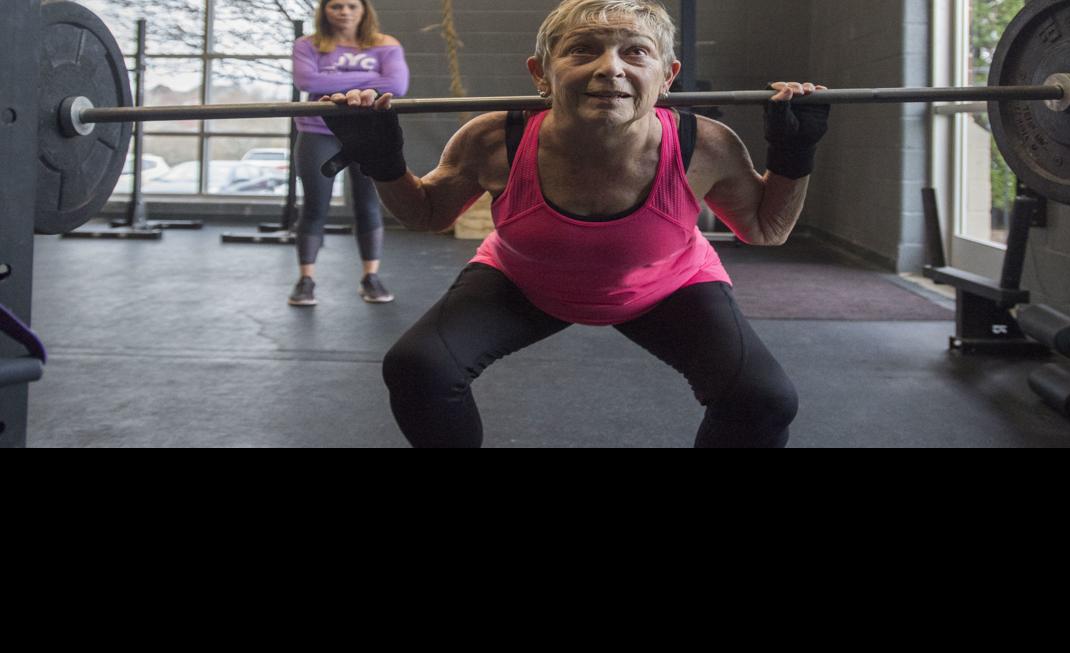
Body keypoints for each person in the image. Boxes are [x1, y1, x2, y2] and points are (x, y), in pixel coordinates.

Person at [317, 0, 829, 448]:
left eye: (635, 52)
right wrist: (382, 161)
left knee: (762, 400)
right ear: (541, 73)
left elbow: (766, 229)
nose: (610, 68)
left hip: (666, 285)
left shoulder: (706, 144)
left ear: (668, 76)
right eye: (582, 50)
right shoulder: (496, 137)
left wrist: (794, 155)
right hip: (524, 281)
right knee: (418, 367)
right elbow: (426, 214)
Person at [289, 0, 408, 307]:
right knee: (314, 206)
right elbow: (306, 81)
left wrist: (333, 83)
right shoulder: (308, 44)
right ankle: (306, 280)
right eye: (336, 6)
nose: (344, 11)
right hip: (317, 131)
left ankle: (371, 277)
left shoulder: (385, 44)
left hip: (367, 131)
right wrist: (370, 83)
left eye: (351, 5)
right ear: (325, 11)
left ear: (364, 10)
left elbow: (397, 84)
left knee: (368, 204)